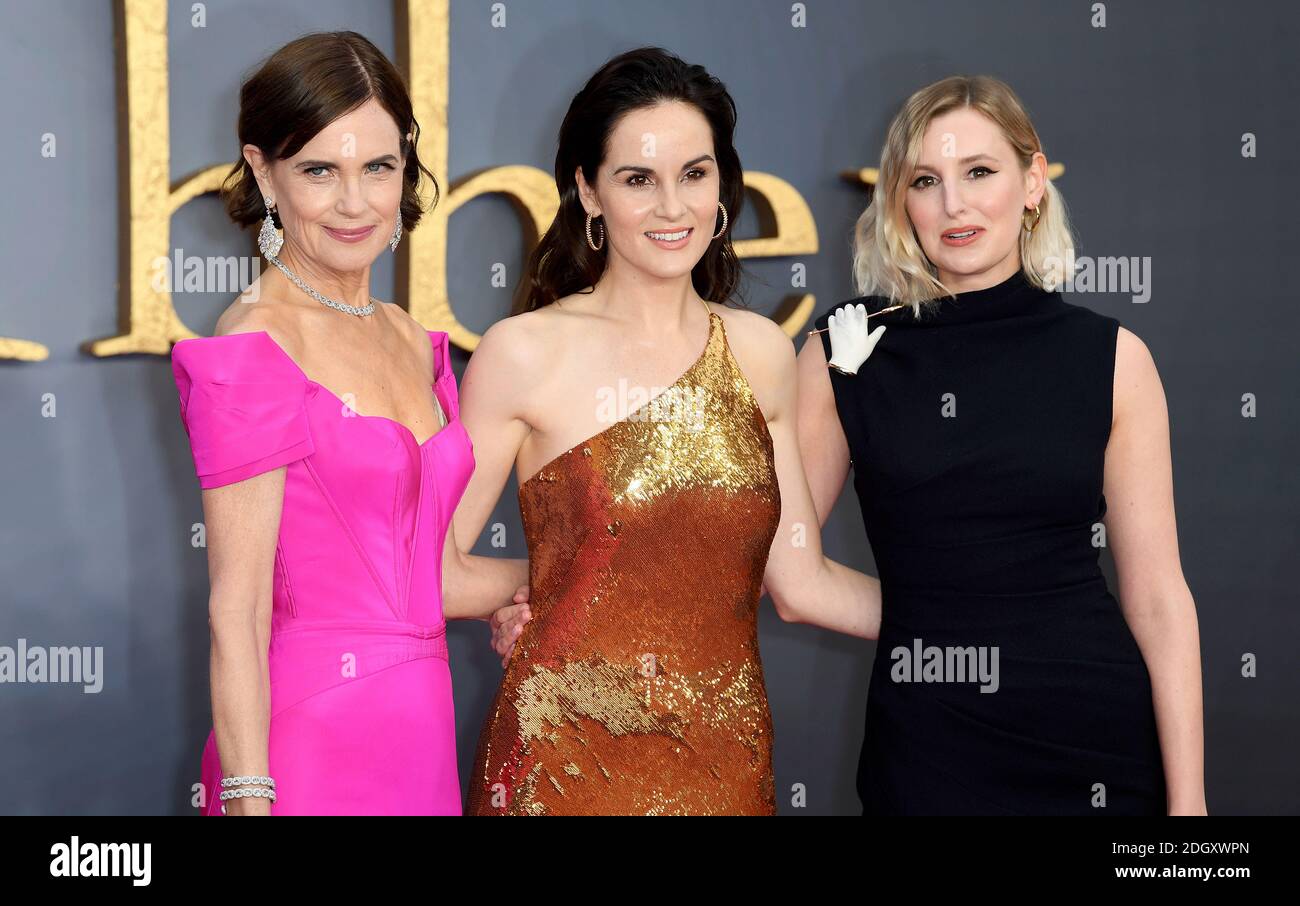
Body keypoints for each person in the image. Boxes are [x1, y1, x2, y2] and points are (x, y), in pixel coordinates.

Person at [459, 47, 880, 815]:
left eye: (694, 173)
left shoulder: (759, 353)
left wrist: (976, 622)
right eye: (637, 179)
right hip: (562, 767)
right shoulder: (522, 354)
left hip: (726, 767)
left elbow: (799, 579)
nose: (672, 208)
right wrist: (545, 584)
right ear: (588, 190)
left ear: (723, 185)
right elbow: (435, 567)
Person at [798, 75, 1205, 814]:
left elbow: (1158, 598)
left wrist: (1189, 808)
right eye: (926, 180)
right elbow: (791, 581)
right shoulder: (848, 349)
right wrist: (937, 627)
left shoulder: (1112, 359)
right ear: (901, 203)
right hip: (930, 749)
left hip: (1096, 740)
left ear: (1032, 182)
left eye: (978, 172)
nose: (954, 204)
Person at [170, 31, 525, 815]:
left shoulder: (409, 337)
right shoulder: (253, 347)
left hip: (422, 740)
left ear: (406, 169)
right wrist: (249, 800)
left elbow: (426, 581)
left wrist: (544, 584)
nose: (355, 201)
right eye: (319, 170)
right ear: (264, 172)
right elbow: (238, 608)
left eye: (379, 167)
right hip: (307, 746)